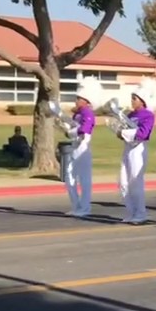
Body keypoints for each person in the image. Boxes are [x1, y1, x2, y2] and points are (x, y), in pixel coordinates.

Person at [117, 77, 156, 224]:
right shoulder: (130, 115)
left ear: (142, 100)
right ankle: (130, 212)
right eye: (132, 98)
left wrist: (123, 133)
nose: (132, 101)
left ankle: (140, 213)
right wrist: (119, 131)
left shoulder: (148, 115)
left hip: (138, 149)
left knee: (135, 182)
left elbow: (143, 133)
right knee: (123, 182)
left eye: (134, 98)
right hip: (128, 148)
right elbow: (124, 129)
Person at [63, 78, 102, 218]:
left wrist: (70, 131)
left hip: (83, 146)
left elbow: (84, 130)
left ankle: (85, 207)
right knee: (69, 177)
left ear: (86, 100)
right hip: (74, 146)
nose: (76, 100)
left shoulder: (87, 113)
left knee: (84, 179)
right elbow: (74, 128)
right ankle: (76, 206)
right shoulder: (77, 113)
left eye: (79, 98)